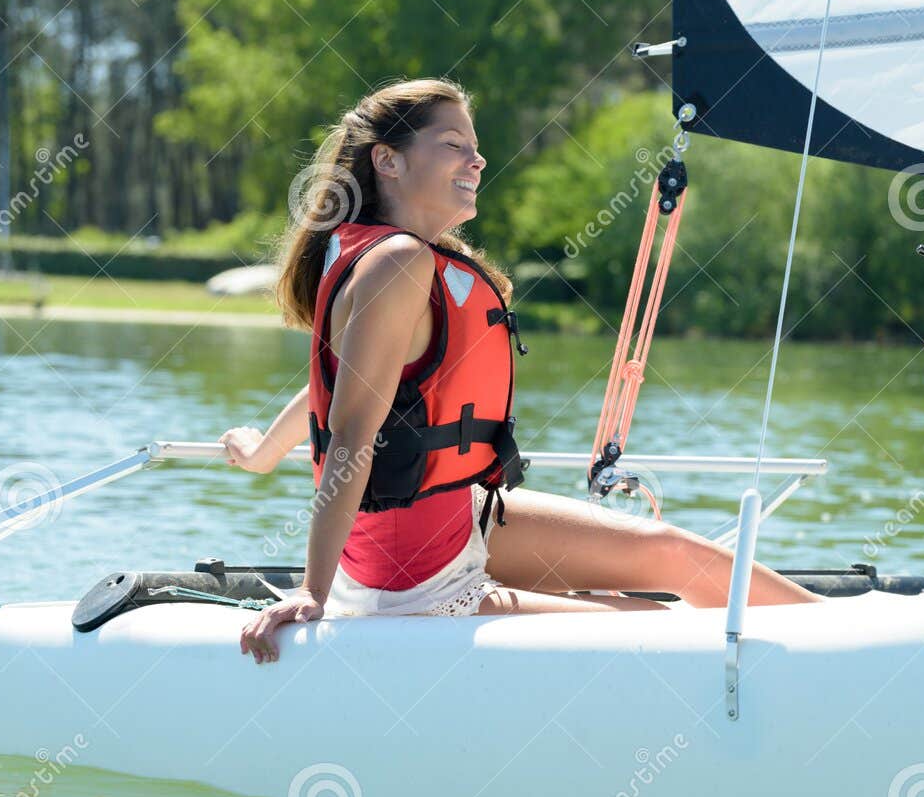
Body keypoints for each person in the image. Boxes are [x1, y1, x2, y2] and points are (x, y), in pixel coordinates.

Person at [227, 78, 818, 663]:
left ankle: (843, 629)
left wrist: (264, 452)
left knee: (675, 555)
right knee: (662, 625)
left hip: (460, 521)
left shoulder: (385, 253)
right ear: (388, 160)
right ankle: (842, 654)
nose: (477, 160)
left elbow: (337, 384)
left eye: (475, 147)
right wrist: (313, 590)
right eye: (453, 144)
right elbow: (352, 433)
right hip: (416, 582)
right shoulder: (398, 262)